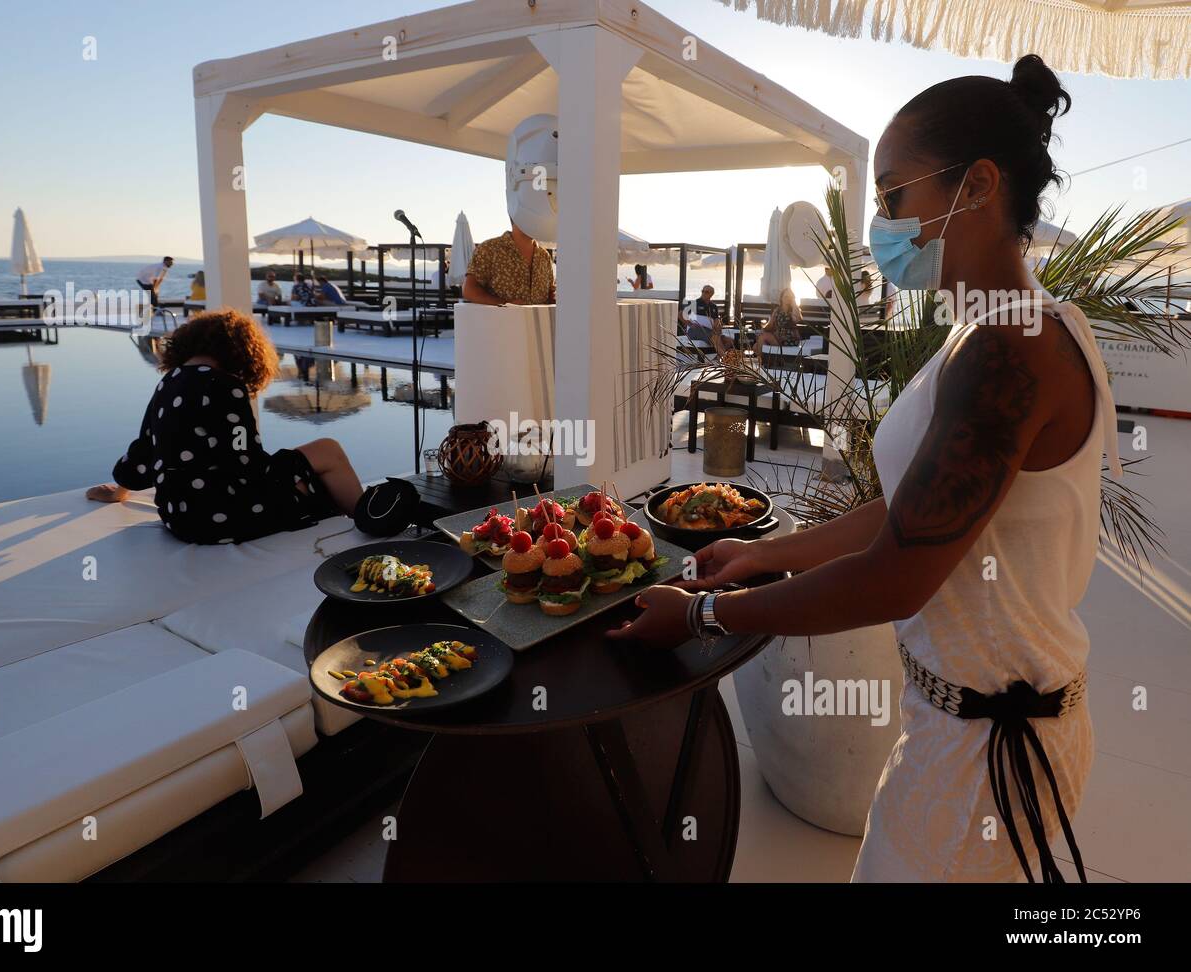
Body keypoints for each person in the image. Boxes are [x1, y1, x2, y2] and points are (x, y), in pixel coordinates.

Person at [612, 55, 1113, 885]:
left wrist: (705, 617)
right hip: (958, 726)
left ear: (978, 186)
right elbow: (913, 517)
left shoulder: (1010, 350)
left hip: (988, 751)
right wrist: (767, 552)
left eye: (893, 196)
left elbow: (896, 578)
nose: (881, 223)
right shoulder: (990, 331)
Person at [86, 309, 363, 543]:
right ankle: (372, 521)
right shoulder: (225, 386)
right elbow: (246, 463)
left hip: (180, 518)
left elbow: (144, 451)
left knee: (312, 479)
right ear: (243, 351)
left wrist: (120, 490)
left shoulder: (169, 383)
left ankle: (343, 512)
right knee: (328, 450)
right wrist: (301, 475)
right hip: (223, 516)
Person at [462, 221, 555, 305]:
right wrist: (506, 304)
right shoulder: (489, 249)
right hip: (500, 322)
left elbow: (551, 292)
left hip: (538, 323)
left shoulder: (545, 256)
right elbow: (469, 290)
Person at [681, 284, 733, 352]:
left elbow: (716, 320)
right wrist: (690, 324)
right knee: (715, 338)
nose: (703, 293)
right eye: (703, 291)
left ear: (711, 294)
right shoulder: (695, 303)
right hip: (695, 330)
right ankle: (723, 358)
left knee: (730, 341)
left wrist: (718, 328)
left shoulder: (713, 306)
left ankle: (718, 356)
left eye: (706, 292)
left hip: (709, 331)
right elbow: (680, 314)